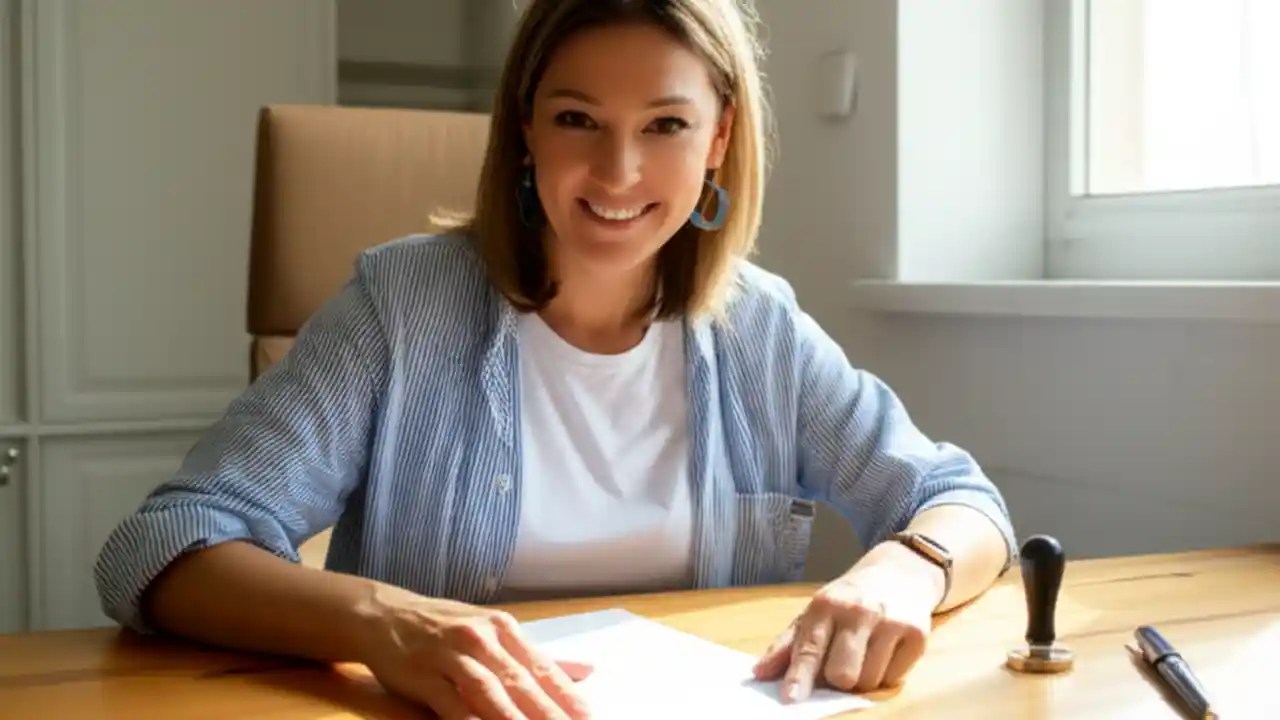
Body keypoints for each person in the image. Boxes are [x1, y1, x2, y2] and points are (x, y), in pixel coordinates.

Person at [94, 0, 1016, 718]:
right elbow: (161, 547)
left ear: (720, 139)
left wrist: (905, 567)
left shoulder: (759, 330)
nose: (618, 173)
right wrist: (383, 624)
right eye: (578, 118)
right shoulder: (399, 309)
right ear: (525, 130)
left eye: (665, 125)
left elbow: (963, 501)